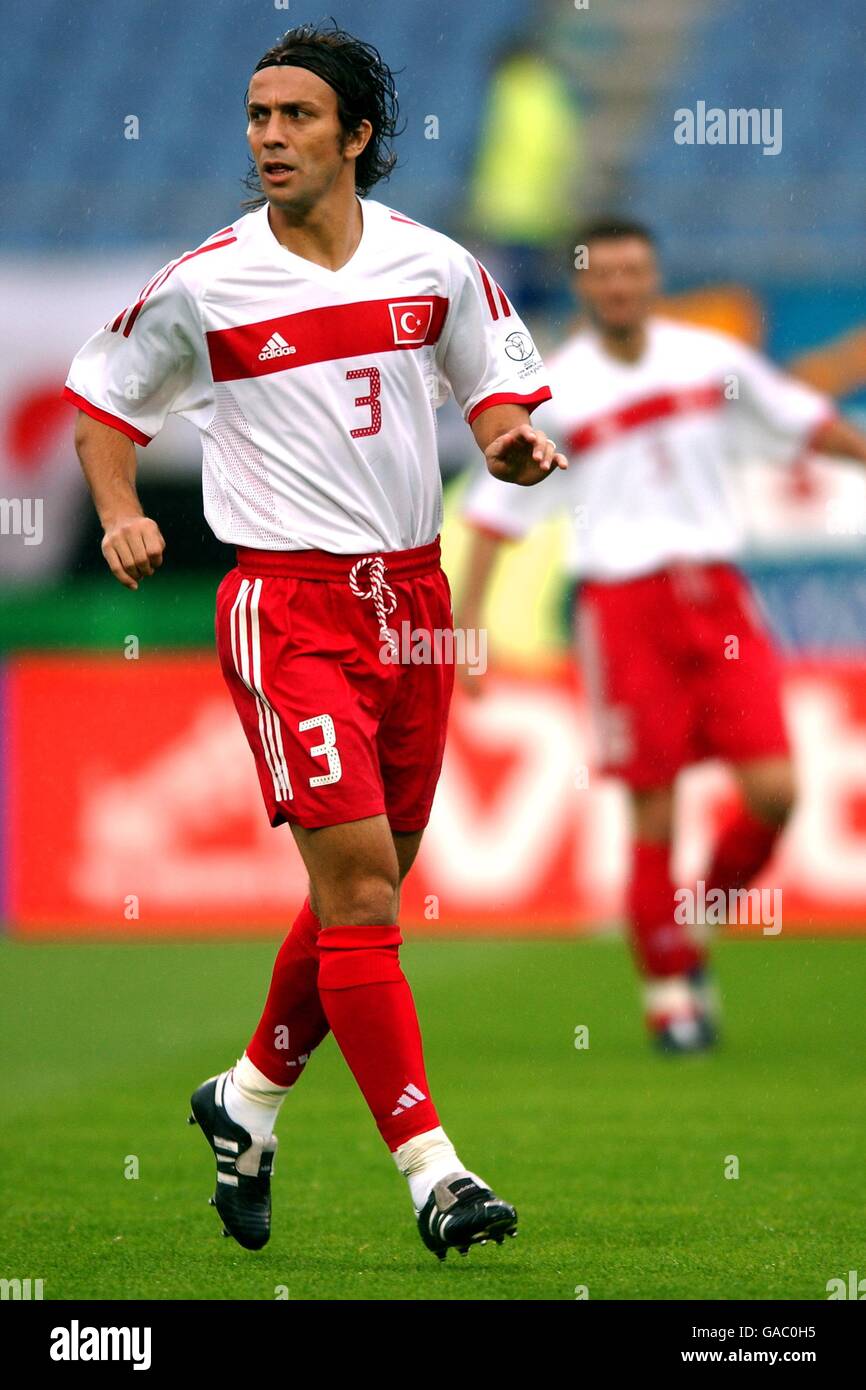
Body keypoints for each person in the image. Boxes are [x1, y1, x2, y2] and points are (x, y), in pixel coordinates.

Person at [62, 23, 565, 1257]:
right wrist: (123, 509)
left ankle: (244, 1099)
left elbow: (491, 387)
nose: (268, 137)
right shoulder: (208, 281)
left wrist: (505, 443)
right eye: (256, 116)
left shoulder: (435, 265)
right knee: (362, 894)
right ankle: (433, 1173)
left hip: (413, 604)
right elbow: (102, 403)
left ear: (357, 137)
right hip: (286, 608)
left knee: (364, 892)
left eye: (294, 116)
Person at [458, 218, 866, 1052]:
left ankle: (694, 921)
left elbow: (801, 421)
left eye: (633, 271)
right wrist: (466, 629)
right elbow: (495, 513)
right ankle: (668, 984)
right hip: (622, 606)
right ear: (583, 284)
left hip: (715, 592)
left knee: (776, 791)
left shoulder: (706, 360)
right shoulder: (555, 393)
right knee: (654, 805)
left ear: (653, 277)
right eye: (602, 274)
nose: (618, 286)